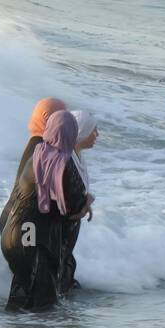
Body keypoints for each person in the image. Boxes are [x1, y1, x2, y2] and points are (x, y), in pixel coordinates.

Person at [0, 109, 88, 310]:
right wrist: (87, 201)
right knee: (44, 309)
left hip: (12, 236)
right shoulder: (64, 162)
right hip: (34, 242)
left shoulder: (37, 154)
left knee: (20, 303)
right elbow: (75, 209)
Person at [0, 97, 67, 236]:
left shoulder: (35, 143)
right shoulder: (44, 150)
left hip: (11, 219)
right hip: (24, 228)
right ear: (47, 118)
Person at [60, 110, 98, 292]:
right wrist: (85, 203)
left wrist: (86, 200)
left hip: (67, 237)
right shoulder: (65, 159)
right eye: (93, 130)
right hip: (58, 233)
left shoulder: (76, 157)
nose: (97, 135)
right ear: (81, 131)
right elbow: (66, 205)